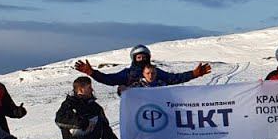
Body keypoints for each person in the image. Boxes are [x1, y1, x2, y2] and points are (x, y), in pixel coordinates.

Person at [74, 44, 211, 94]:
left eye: (144, 57)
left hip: (159, 111)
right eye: (138, 57)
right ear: (134, 58)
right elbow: (108, 79)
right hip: (135, 114)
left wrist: (194, 74)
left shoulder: (155, 72)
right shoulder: (127, 74)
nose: (142, 59)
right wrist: (91, 72)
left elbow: (174, 78)